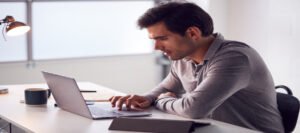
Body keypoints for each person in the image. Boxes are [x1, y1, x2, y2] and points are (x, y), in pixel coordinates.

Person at [109, 2, 284, 133]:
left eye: (162, 38)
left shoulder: (235, 58)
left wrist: (161, 100)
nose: (156, 47)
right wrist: (146, 98)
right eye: (153, 40)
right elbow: (167, 87)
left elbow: (193, 109)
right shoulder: (183, 56)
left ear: (193, 33)